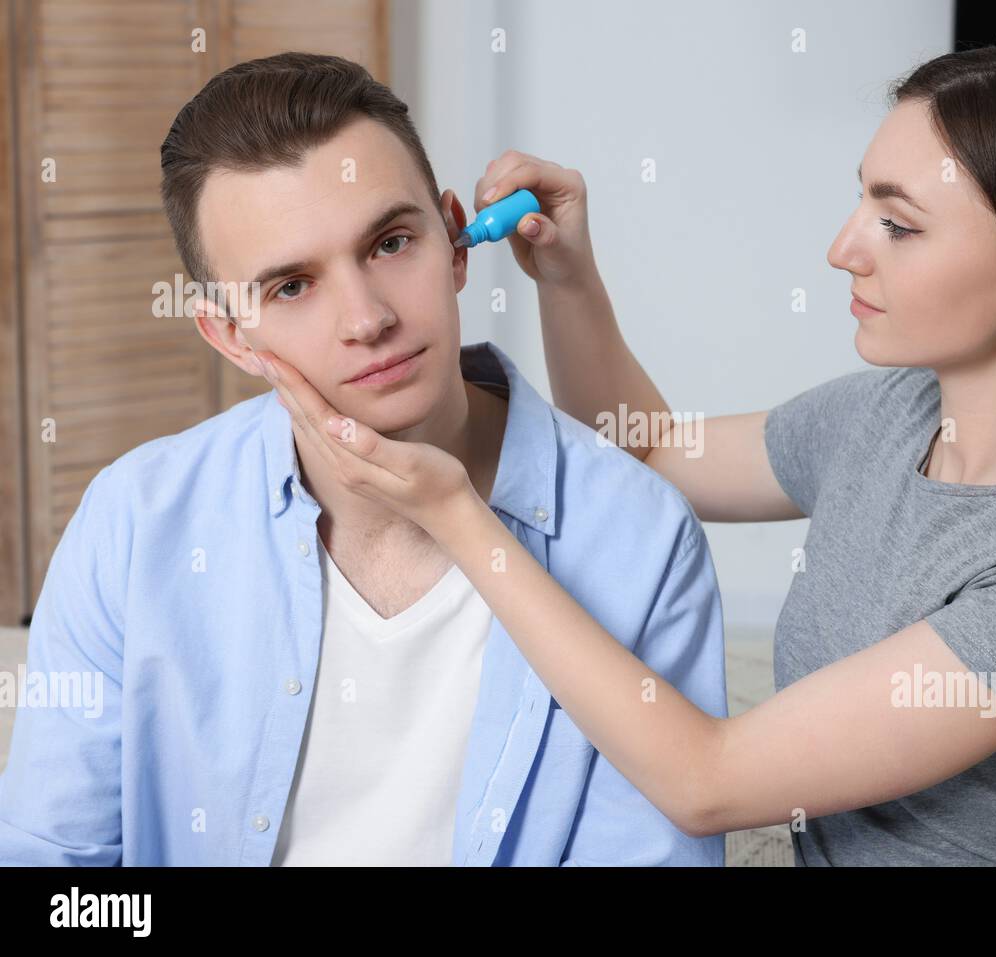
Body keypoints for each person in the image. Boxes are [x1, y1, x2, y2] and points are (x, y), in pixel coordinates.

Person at [266, 42, 996, 865]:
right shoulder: (890, 419)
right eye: (861, 202)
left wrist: (457, 520)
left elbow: (709, 784)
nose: (842, 248)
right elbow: (645, 454)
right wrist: (566, 278)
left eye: (897, 224)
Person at [0, 53, 728, 867]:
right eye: (291, 287)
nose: (367, 318)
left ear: (455, 243)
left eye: (390, 243)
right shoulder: (132, 523)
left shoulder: (641, 541)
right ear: (229, 335)